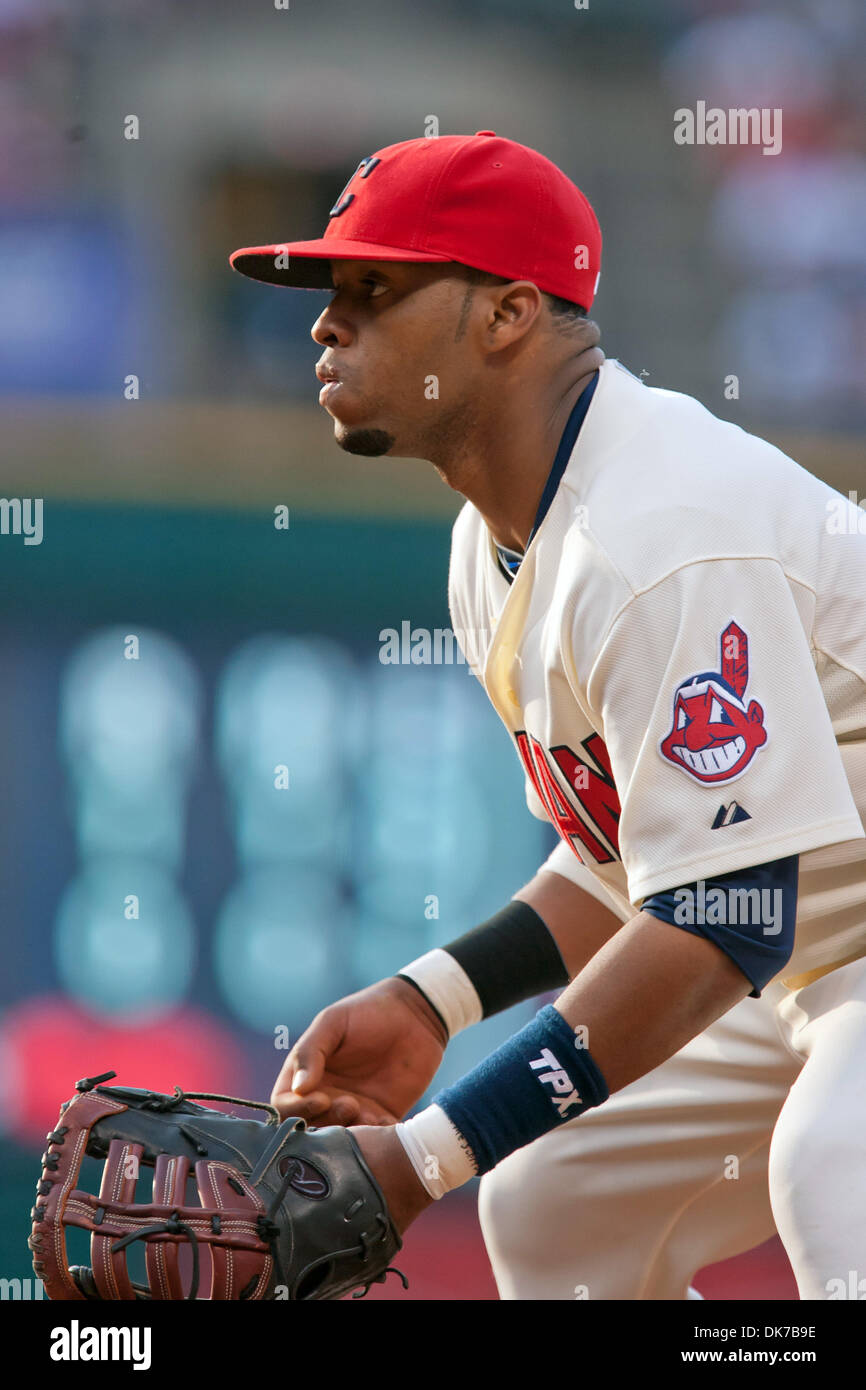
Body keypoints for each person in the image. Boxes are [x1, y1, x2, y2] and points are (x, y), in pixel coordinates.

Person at [230, 131, 866, 1300]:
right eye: (333, 293)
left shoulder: (657, 530)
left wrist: (418, 1162)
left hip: (803, 954)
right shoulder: (498, 539)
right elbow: (629, 862)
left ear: (508, 314)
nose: (326, 323)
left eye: (373, 288)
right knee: (554, 1207)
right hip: (810, 964)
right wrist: (435, 996)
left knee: (837, 1170)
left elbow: (726, 919)